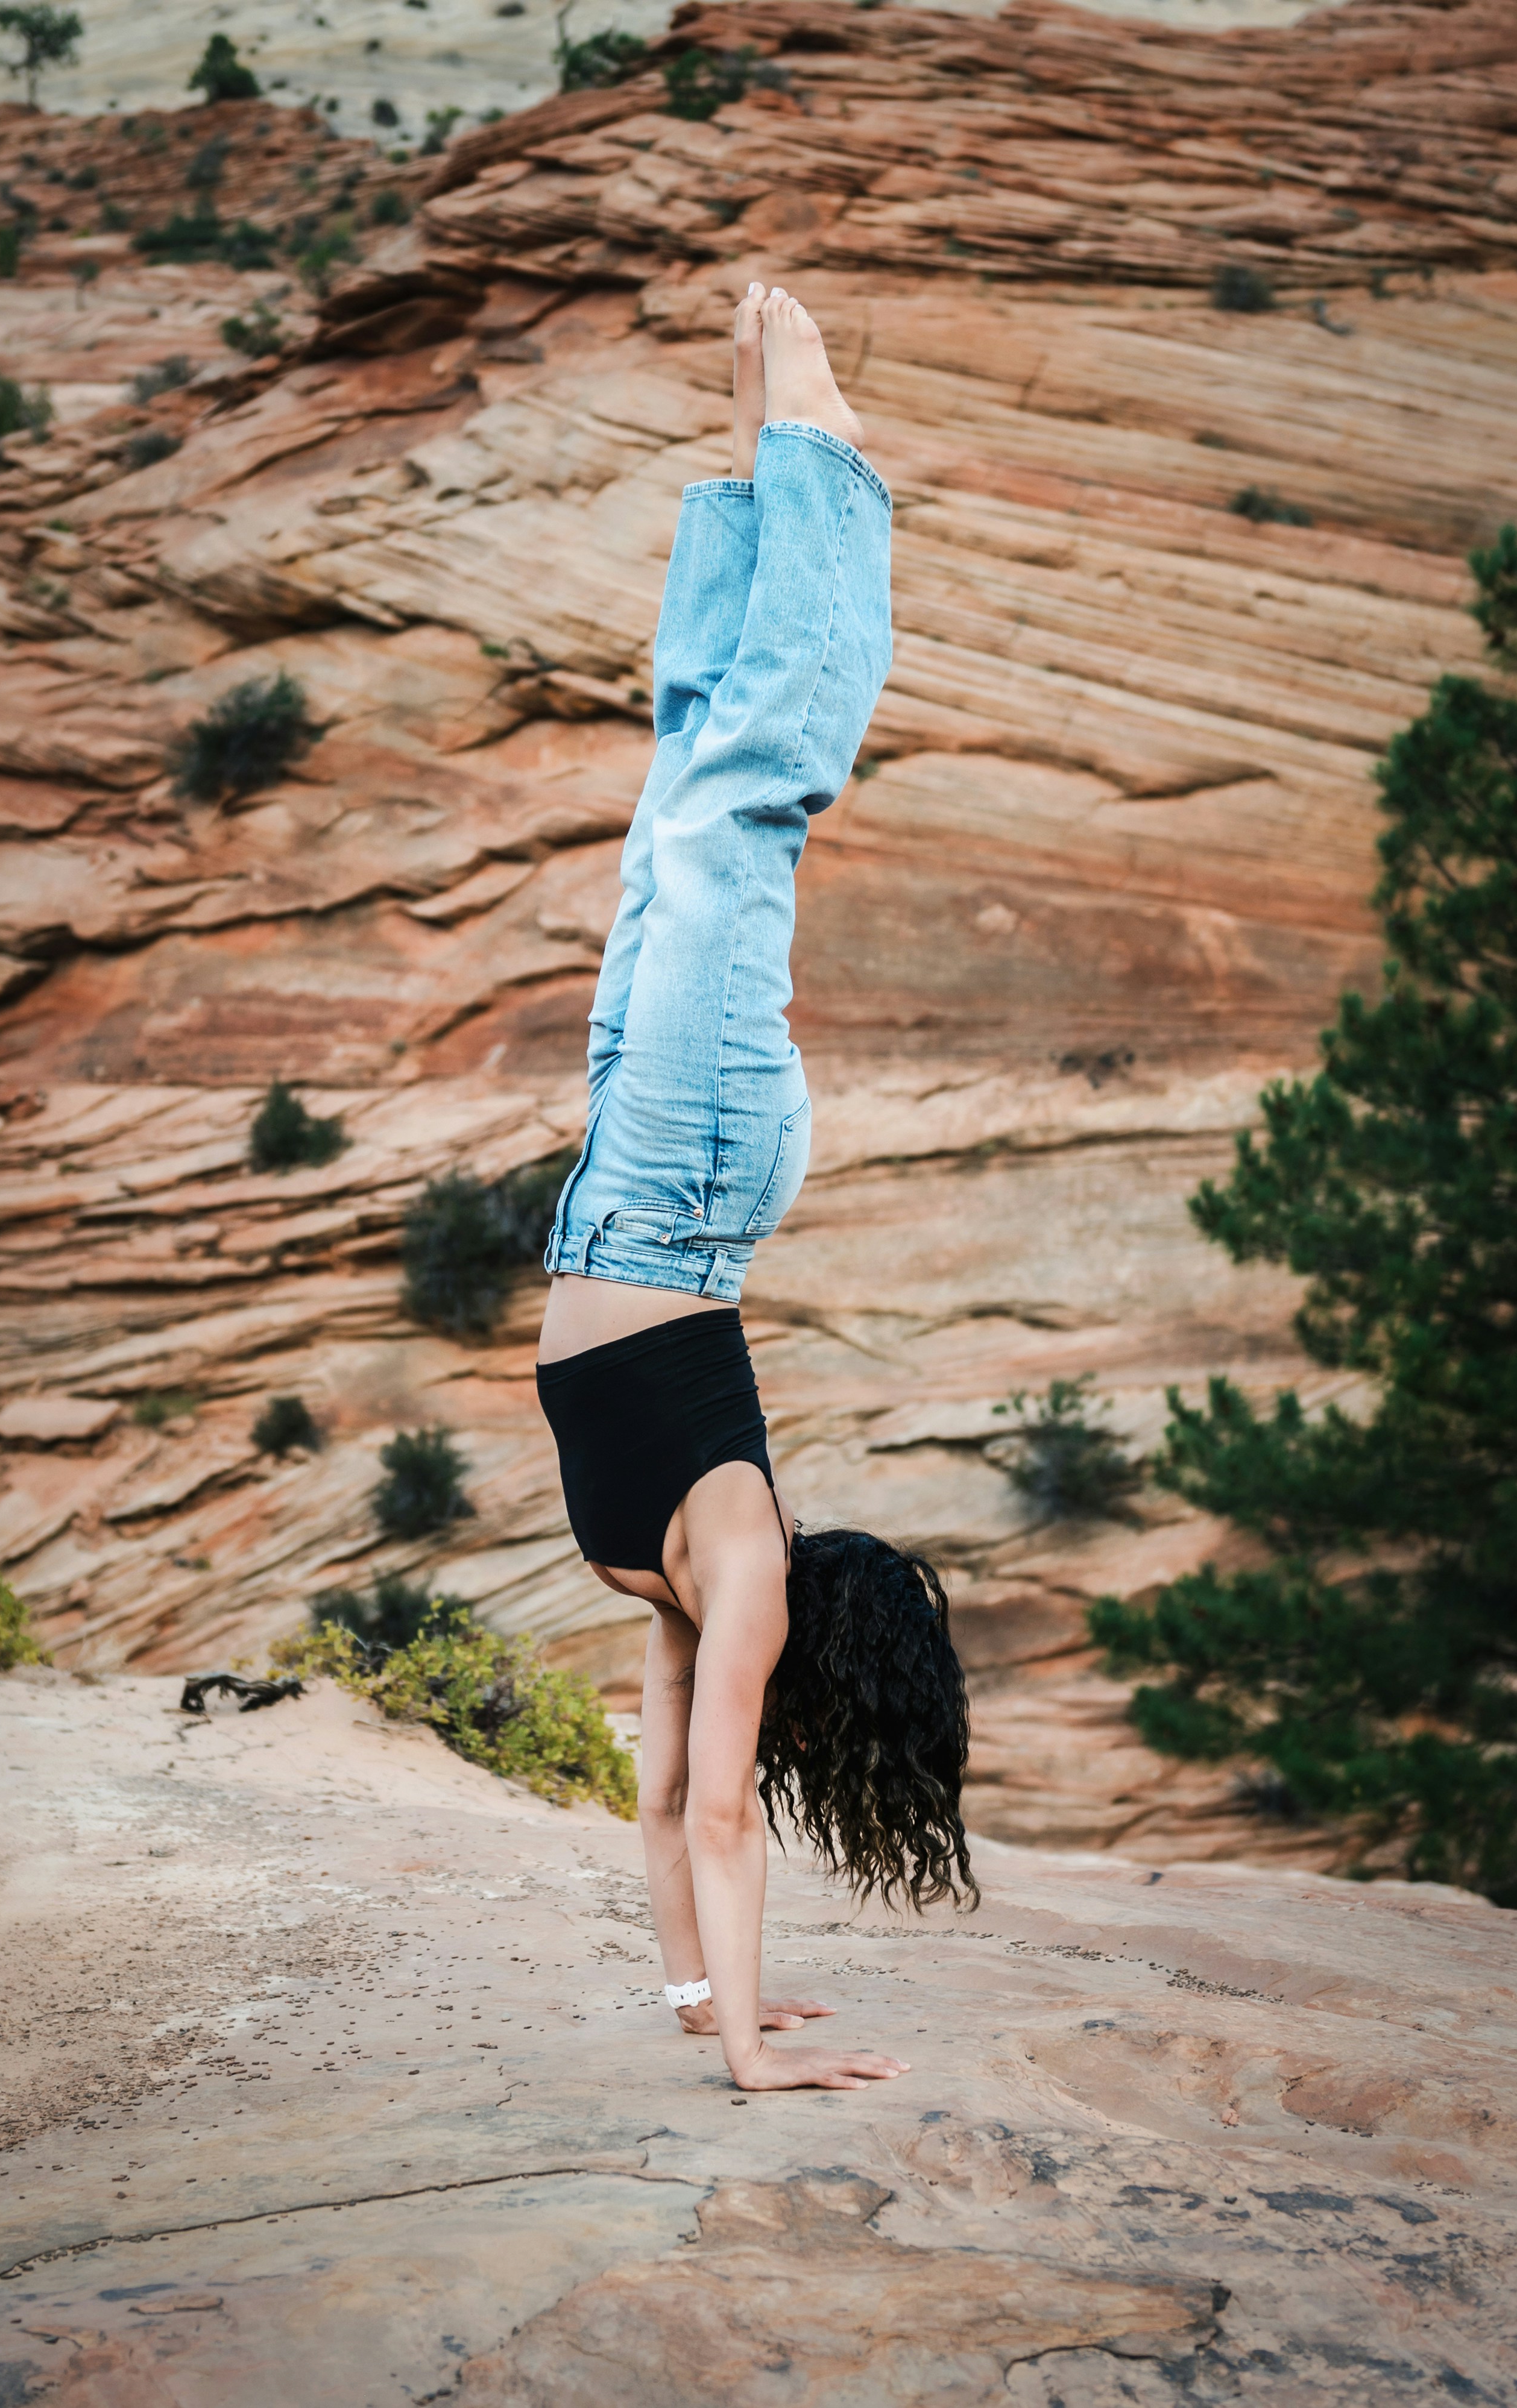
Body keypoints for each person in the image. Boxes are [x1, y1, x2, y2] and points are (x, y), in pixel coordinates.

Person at [537, 285, 976, 2096]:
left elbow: (658, 1805)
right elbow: (726, 1817)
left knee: (671, 808)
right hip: (688, 1184)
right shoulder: (745, 1569)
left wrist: (707, 2009)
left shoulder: (693, 1590)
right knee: (747, 811)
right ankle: (820, 465)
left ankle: (748, 484)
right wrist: (754, 2079)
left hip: (629, 1178)